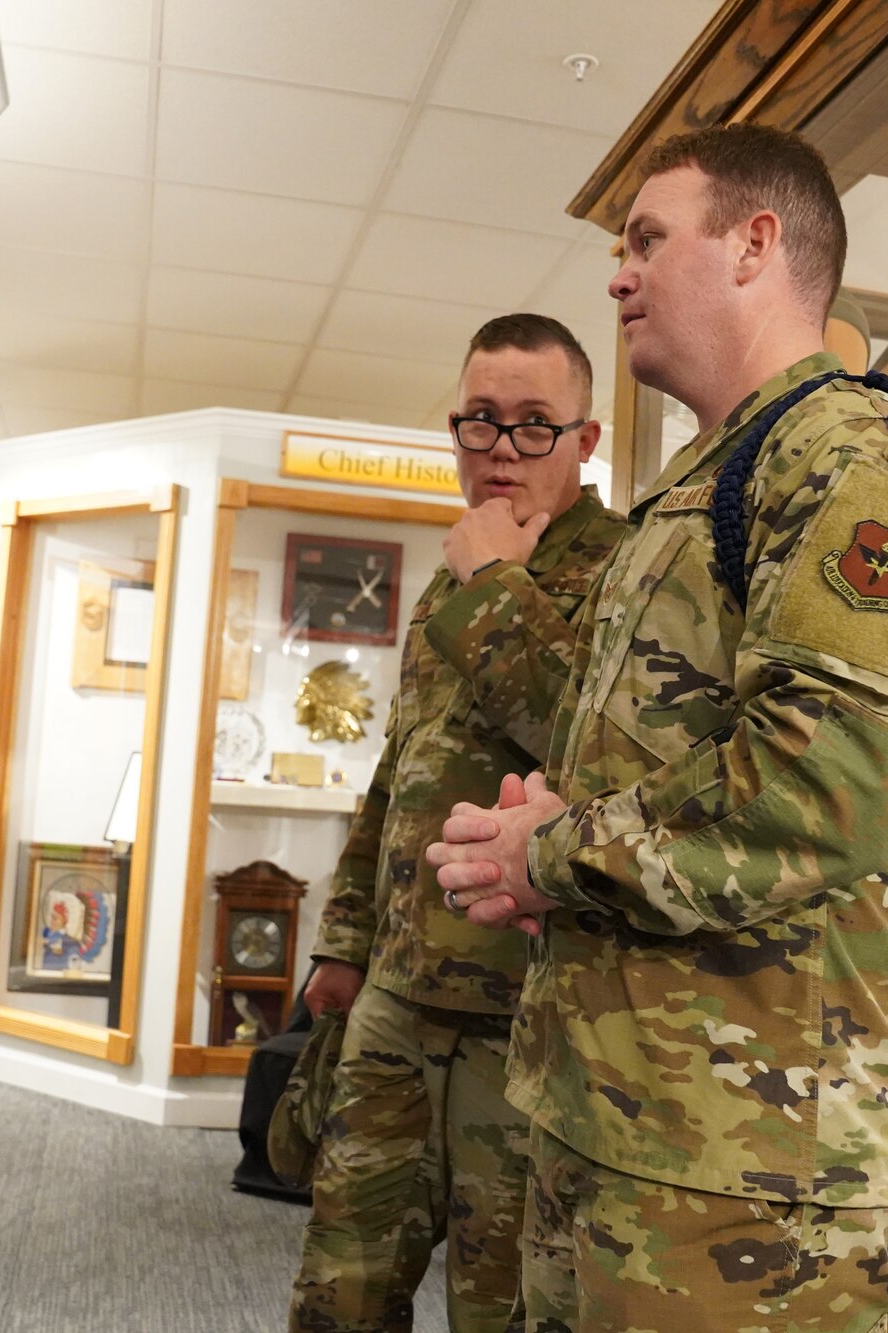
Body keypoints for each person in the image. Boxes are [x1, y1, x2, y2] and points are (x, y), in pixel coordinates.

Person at [428, 125, 888, 1328]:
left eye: (647, 239)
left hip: (753, 1155)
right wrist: (561, 818)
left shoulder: (857, 454)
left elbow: (827, 784)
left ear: (753, 245)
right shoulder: (708, 475)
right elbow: (653, 741)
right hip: (627, 1110)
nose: (616, 275)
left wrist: (546, 851)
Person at [289, 313, 626, 1333]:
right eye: (479, 422)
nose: (499, 451)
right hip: (397, 996)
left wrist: (493, 581)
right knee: (341, 1284)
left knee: (503, 1303)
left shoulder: (622, 569)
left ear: (584, 440)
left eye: (533, 425)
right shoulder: (452, 569)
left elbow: (591, 746)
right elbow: (398, 776)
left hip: (523, 1016)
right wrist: (343, 943)